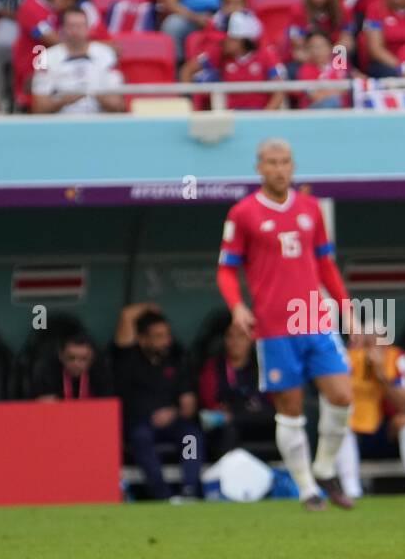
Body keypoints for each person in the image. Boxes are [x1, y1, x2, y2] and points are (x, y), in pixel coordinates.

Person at [216, 139, 355, 510]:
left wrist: (348, 311)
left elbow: (326, 265)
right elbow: (227, 269)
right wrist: (237, 307)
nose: (279, 169)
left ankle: (325, 467)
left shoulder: (311, 208)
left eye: (285, 162)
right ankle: (307, 488)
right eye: (272, 162)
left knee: (342, 394)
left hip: (314, 317)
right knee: (290, 407)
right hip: (274, 326)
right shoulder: (243, 213)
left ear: (293, 166)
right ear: (259, 168)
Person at [113, 308, 205, 501]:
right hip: (140, 424)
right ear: (142, 339)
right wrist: (153, 306)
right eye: (159, 336)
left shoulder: (177, 360)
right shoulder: (129, 359)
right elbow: (127, 316)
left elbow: (189, 406)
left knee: (191, 436)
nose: (166, 341)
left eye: (167, 335)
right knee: (141, 437)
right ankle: (163, 496)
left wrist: (174, 412)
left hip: (174, 422)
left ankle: (189, 490)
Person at [335, 329, 405, 498]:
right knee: (340, 425)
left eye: (376, 340)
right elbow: (336, 398)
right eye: (367, 341)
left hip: (386, 431)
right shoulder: (347, 357)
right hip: (356, 429)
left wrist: (381, 374)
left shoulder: (396, 357)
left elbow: (403, 405)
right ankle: (352, 492)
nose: (371, 347)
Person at [198, 320, 276, 458]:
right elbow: (209, 402)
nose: (235, 342)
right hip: (228, 425)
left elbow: (273, 401)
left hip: (260, 420)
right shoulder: (214, 366)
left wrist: (236, 415)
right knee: (227, 428)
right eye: (230, 336)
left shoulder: (262, 365)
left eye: (241, 336)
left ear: (250, 339)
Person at [31, 6, 128, 115]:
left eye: (80, 26)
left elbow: (118, 106)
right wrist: (64, 101)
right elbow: (39, 109)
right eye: (71, 26)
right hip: (60, 124)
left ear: (88, 28)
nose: (75, 31)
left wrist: (92, 92)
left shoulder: (106, 55)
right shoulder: (46, 57)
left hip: (99, 123)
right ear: (62, 29)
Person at [32, 333, 112, 400]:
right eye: (71, 358)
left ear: (92, 357)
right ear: (61, 355)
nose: (76, 364)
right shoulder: (48, 373)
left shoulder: (101, 374)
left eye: (84, 359)